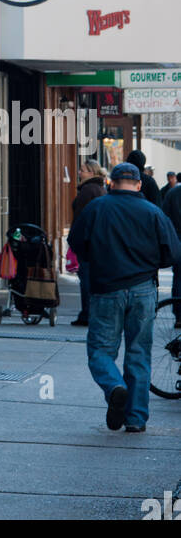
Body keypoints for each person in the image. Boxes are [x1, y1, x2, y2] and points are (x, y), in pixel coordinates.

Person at [68, 161, 181, 433]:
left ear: (111, 183)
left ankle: (114, 386)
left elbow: (76, 242)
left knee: (100, 351)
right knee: (139, 353)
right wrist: (150, 263)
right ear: (139, 185)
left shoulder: (96, 208)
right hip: (143, 288)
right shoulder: (152, 212)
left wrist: (95, 262)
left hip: (107, 288)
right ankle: (136, 418)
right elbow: (173, 252)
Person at [69, 157, 106, 327]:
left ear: (91, 172)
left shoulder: (87, 191)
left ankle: (86, 314)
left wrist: (74, 241)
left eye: (82, 169)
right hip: (99, 243)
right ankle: (94, 313)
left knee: (86, 280)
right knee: (95, 280)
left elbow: (80, 220)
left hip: (87, 244)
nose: (79, 172)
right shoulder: (100, 189)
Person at [162, 175, 181, 327]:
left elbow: (165, 220)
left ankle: (179, 315)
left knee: (178, 279)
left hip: (177, 242)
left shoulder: (172, 194)